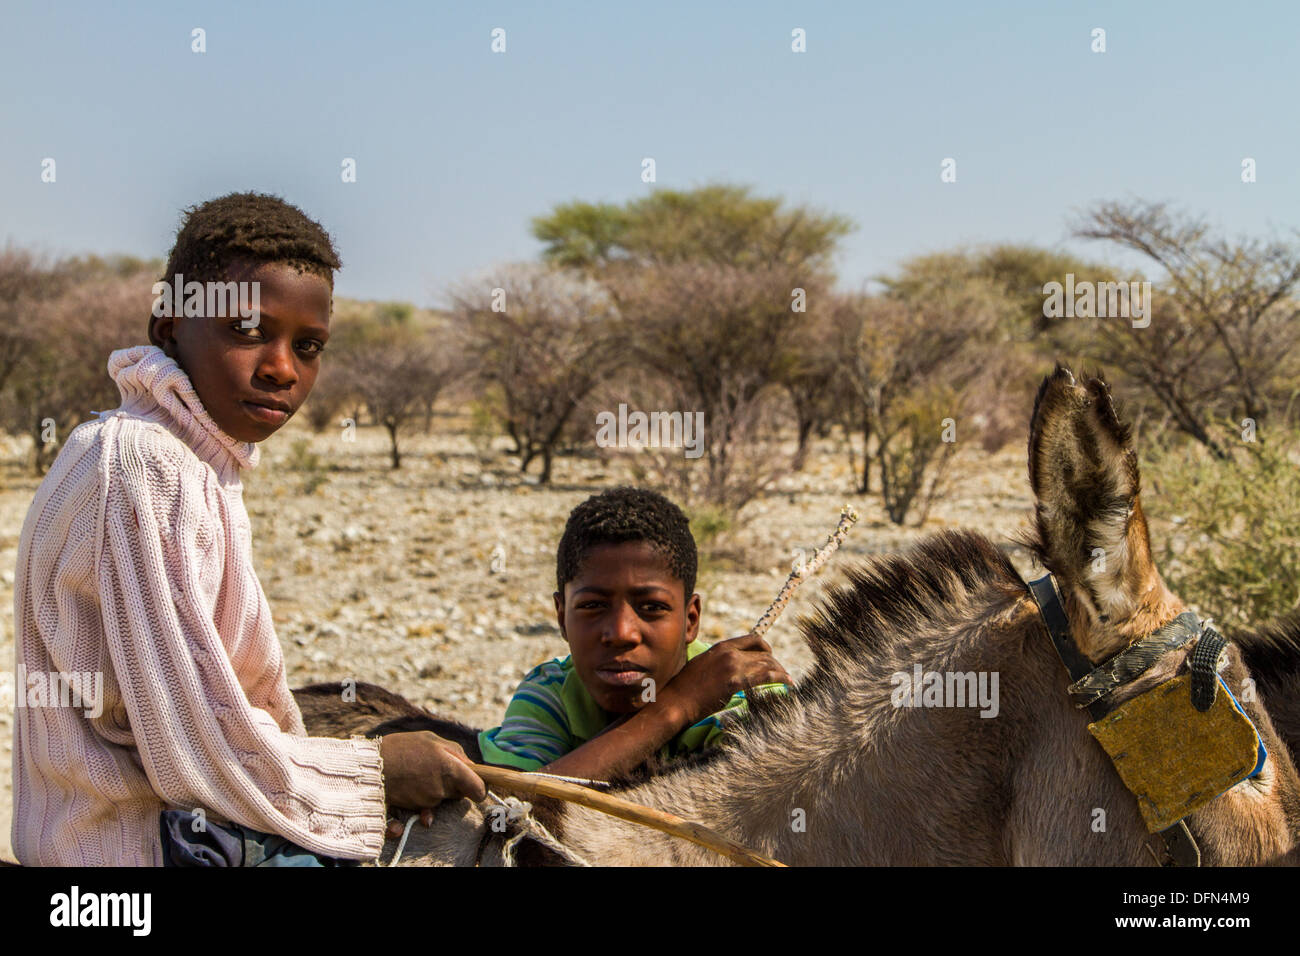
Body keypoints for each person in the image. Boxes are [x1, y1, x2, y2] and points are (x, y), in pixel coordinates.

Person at [11, 191, 484, 866]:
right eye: (248, 330)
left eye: (309, 346)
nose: (282, 367)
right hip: (134, 853)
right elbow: (189, 742)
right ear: (170, 326)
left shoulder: (201, 466)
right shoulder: (143, 464)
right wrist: (375, 773)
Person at [479, 486, 790, 781]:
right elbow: (510, 810)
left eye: (651, 607)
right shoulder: (551, 694)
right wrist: (677, 706)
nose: (621, 633)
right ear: (562, 618)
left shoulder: (739, 693)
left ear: (690, 620)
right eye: (593, 605)